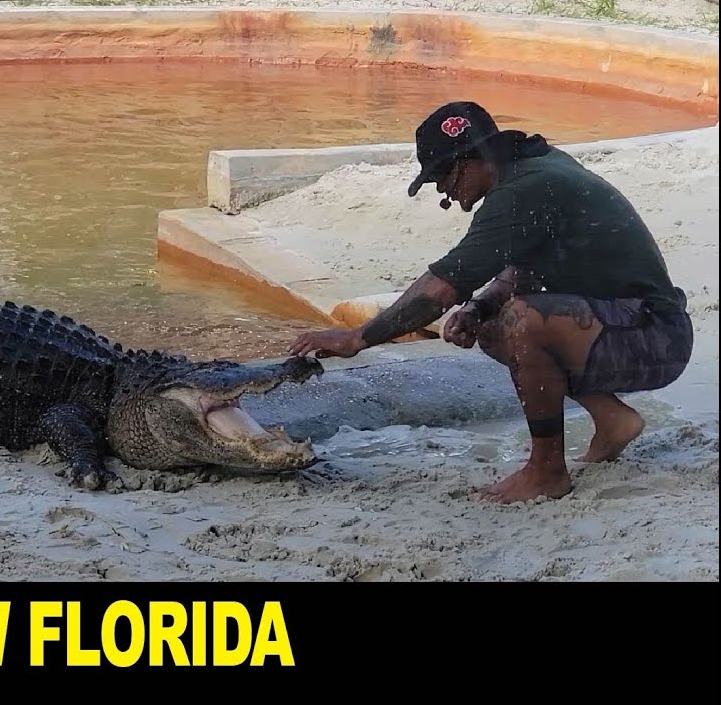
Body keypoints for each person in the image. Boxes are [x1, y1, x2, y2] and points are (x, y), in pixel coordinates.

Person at [287, 101, 694, 504]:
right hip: (631, 328)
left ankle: (547, 471)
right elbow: (522, 265)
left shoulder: (523, 190)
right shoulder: (536, 168)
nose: (442, 189)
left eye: (444, 175)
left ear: (474, 160)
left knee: (524, 320)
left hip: (655, 336)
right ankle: (613, 420)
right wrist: (480, 307)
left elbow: (440, 289)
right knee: (496, 329)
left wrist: (357, 338)